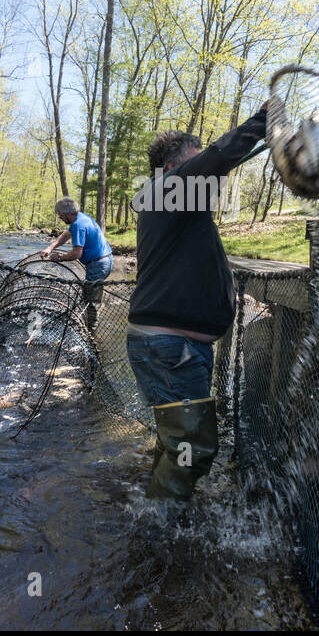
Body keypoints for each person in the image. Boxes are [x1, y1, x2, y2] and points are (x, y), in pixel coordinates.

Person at [126, 102, 268, 502]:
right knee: (193, 450)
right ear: (173, 169)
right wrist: (262, 120)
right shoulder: (169, 192)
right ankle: (160, 535)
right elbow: (216, 158)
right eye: (194, 165)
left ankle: (156, 509)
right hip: (171, 348)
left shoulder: (174, 205)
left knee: (176, 442)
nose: (212, 179)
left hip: (173, 348)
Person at [40, 197, 113, 328]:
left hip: (98, 264)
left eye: (60, 215)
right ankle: (88, 322)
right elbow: (66, 235)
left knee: (91, 300)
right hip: (105, 260)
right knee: (89, 294)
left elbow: (77, 253)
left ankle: (90, 331)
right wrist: (50, 248)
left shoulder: (79, 225)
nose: (60, 218)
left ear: (67, 213)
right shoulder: (81, 218)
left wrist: (59, 258)